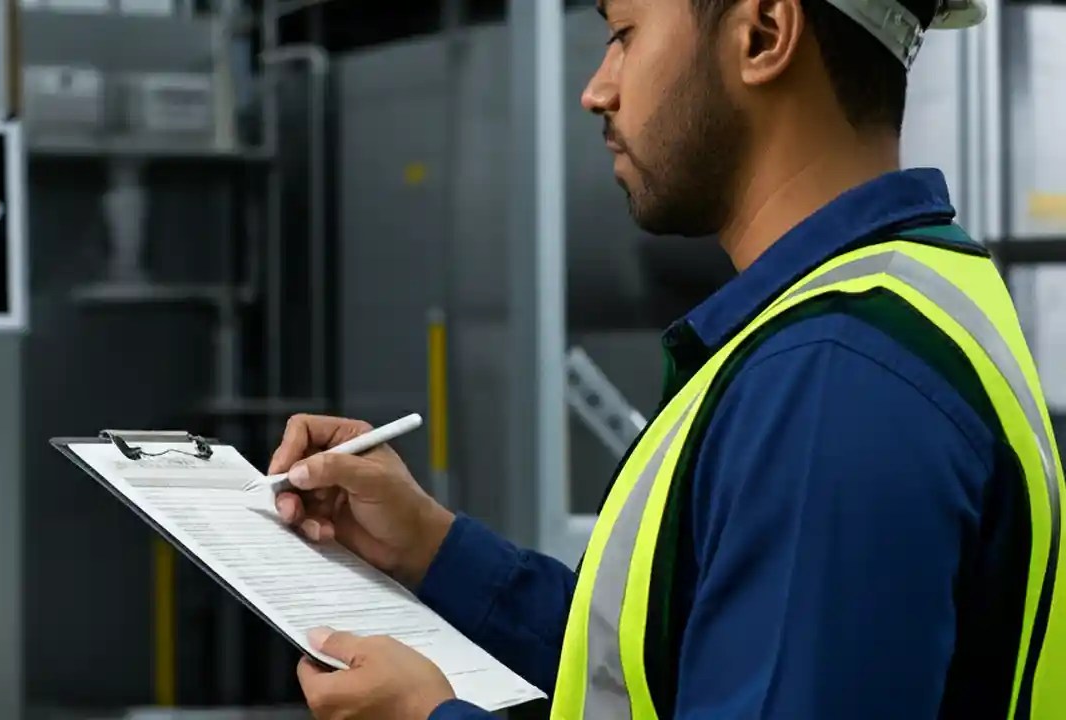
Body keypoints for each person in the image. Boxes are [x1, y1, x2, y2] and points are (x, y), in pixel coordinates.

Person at [270, 0, 1066, 716]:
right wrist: (432, 550)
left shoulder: (831, 380)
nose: (598, 89)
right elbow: (670, 670)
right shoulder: (905, 296)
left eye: (623, 35)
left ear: (762, 34)